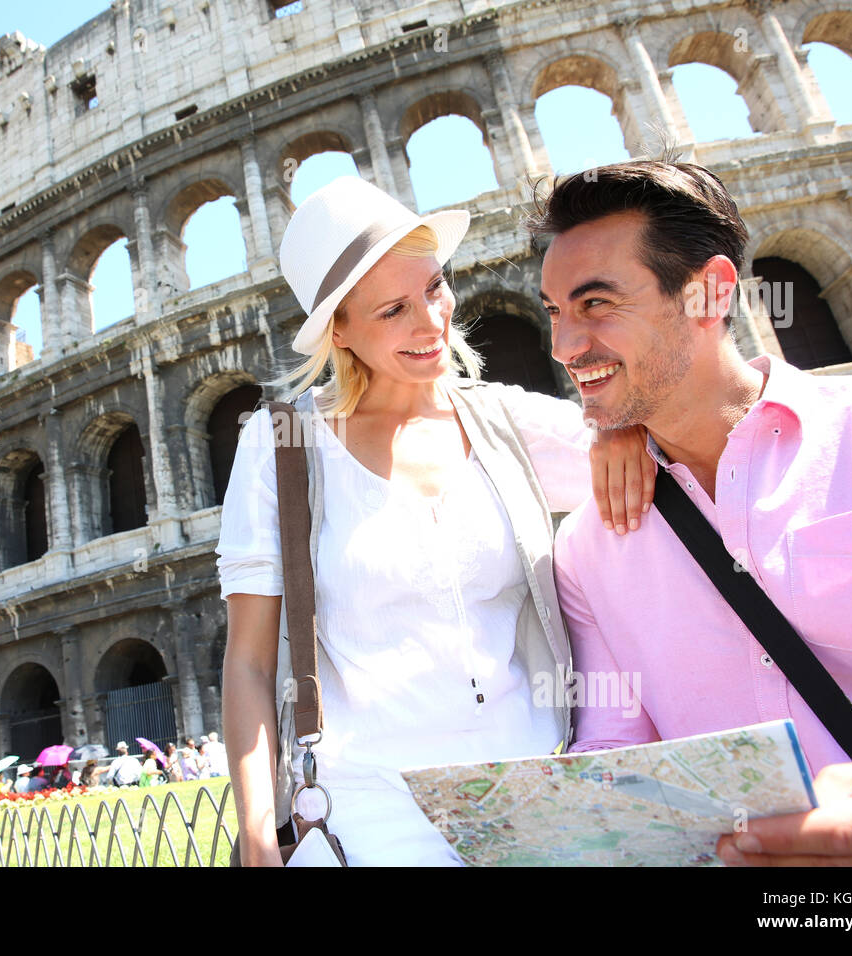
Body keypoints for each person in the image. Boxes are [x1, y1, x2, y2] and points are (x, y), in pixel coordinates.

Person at [218, 175, 652, 866]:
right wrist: (256, 835)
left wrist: (622, 426)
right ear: (340, 329)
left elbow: (671, 449)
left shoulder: (504, 419)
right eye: (393, 310)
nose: (431, 322)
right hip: (372, 813)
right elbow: (247, 661)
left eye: (434, 287)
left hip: (533, 792)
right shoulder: (281, 447)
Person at [533, 159, 852, 866]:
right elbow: (617, 747)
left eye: (595, 304)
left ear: (709, 294)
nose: (564, 346)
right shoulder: (588, 547)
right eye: (555, 311)